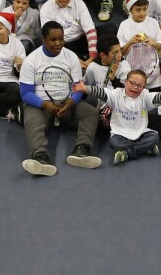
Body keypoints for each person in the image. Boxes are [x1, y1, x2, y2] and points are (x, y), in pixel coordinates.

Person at [19, 21, 102, 176]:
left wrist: (71, 102)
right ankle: (41, 157)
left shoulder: (71, 57)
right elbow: (26, 93)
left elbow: (78, 87)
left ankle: (82, 150)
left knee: (91, 113)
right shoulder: (31, 60)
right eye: (53, 39)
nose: (58, 43)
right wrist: (44, 104)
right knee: (31, 119)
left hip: (66, 104)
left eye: (61, 39)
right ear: (43, 39)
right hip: (41, 105)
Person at [74, 71, 161, 165]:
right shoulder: (116, 94)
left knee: (154, 137)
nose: (135, 87)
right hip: (120, 134)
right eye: (132, 83)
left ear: (144, 87)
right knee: (114, 142)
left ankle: (127, 153)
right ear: (126, 82)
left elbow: (158, 97)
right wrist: (85, 88)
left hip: (140, 133)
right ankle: (145, 148)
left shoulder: (145, 95)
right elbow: (101, 92)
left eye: (140, 85)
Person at [39, 0, 98, 65]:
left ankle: (83, 58)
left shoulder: (79, 3)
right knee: (41, 43)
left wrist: (92, 57)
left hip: (81, 40)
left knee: (109, 28)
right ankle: (75, 58)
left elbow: (90, 30)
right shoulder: (45, 8)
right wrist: (72, 58)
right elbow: (49, 38)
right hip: (61, 45)